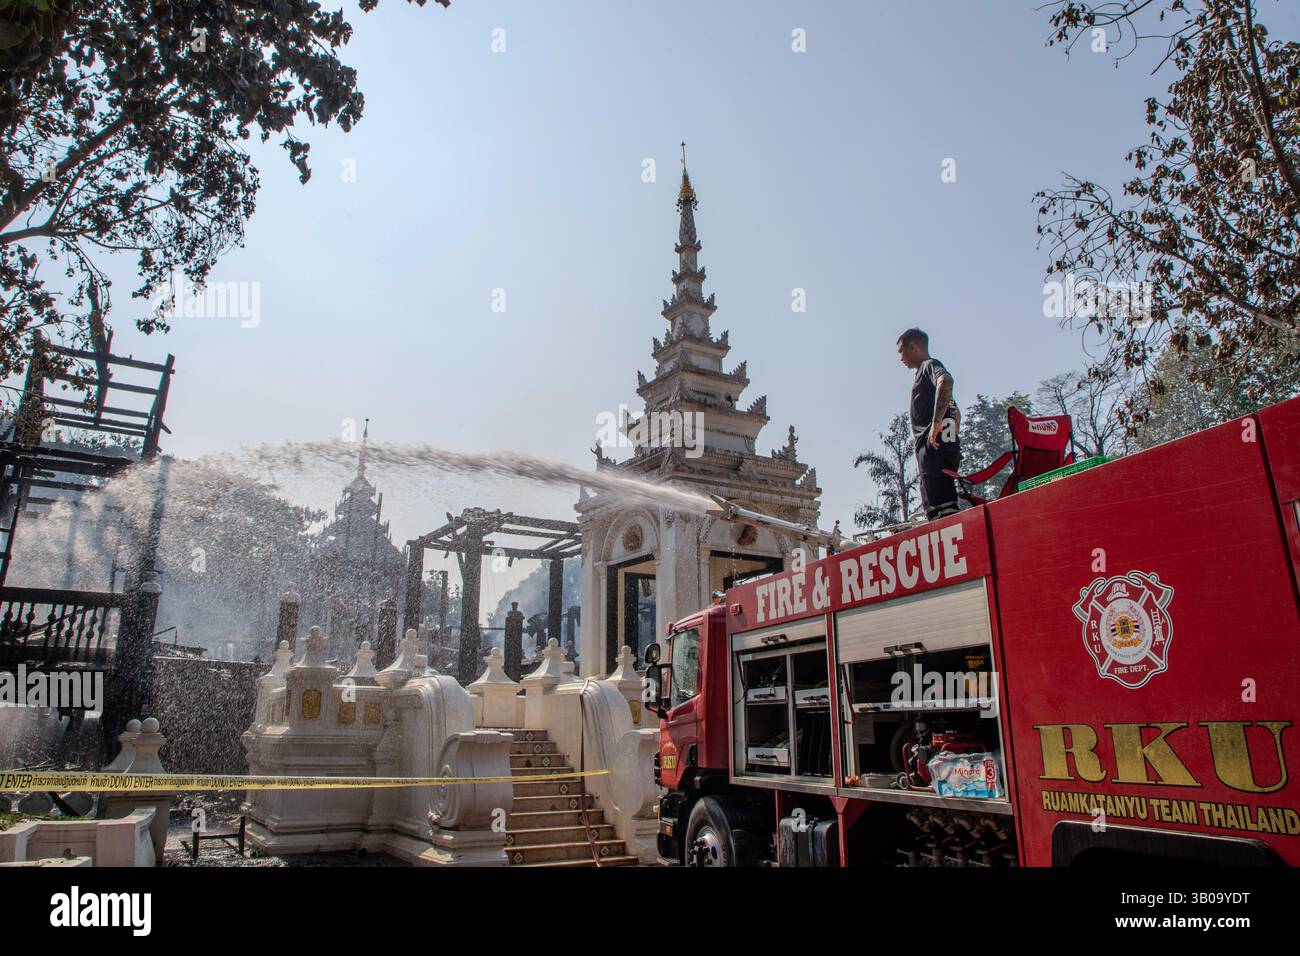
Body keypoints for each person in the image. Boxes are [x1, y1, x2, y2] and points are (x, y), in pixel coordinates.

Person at [897, 327, 961, 520]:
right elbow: (956, 413)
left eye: (902, 351)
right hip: (942, 445)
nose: (901, 358)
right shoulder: (927, 379)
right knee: (940, 499)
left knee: (940, 509)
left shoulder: (928, 366)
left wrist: (935, 424)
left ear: (914, 347)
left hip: (933, 446)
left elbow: (946, 380)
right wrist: (953, 434)